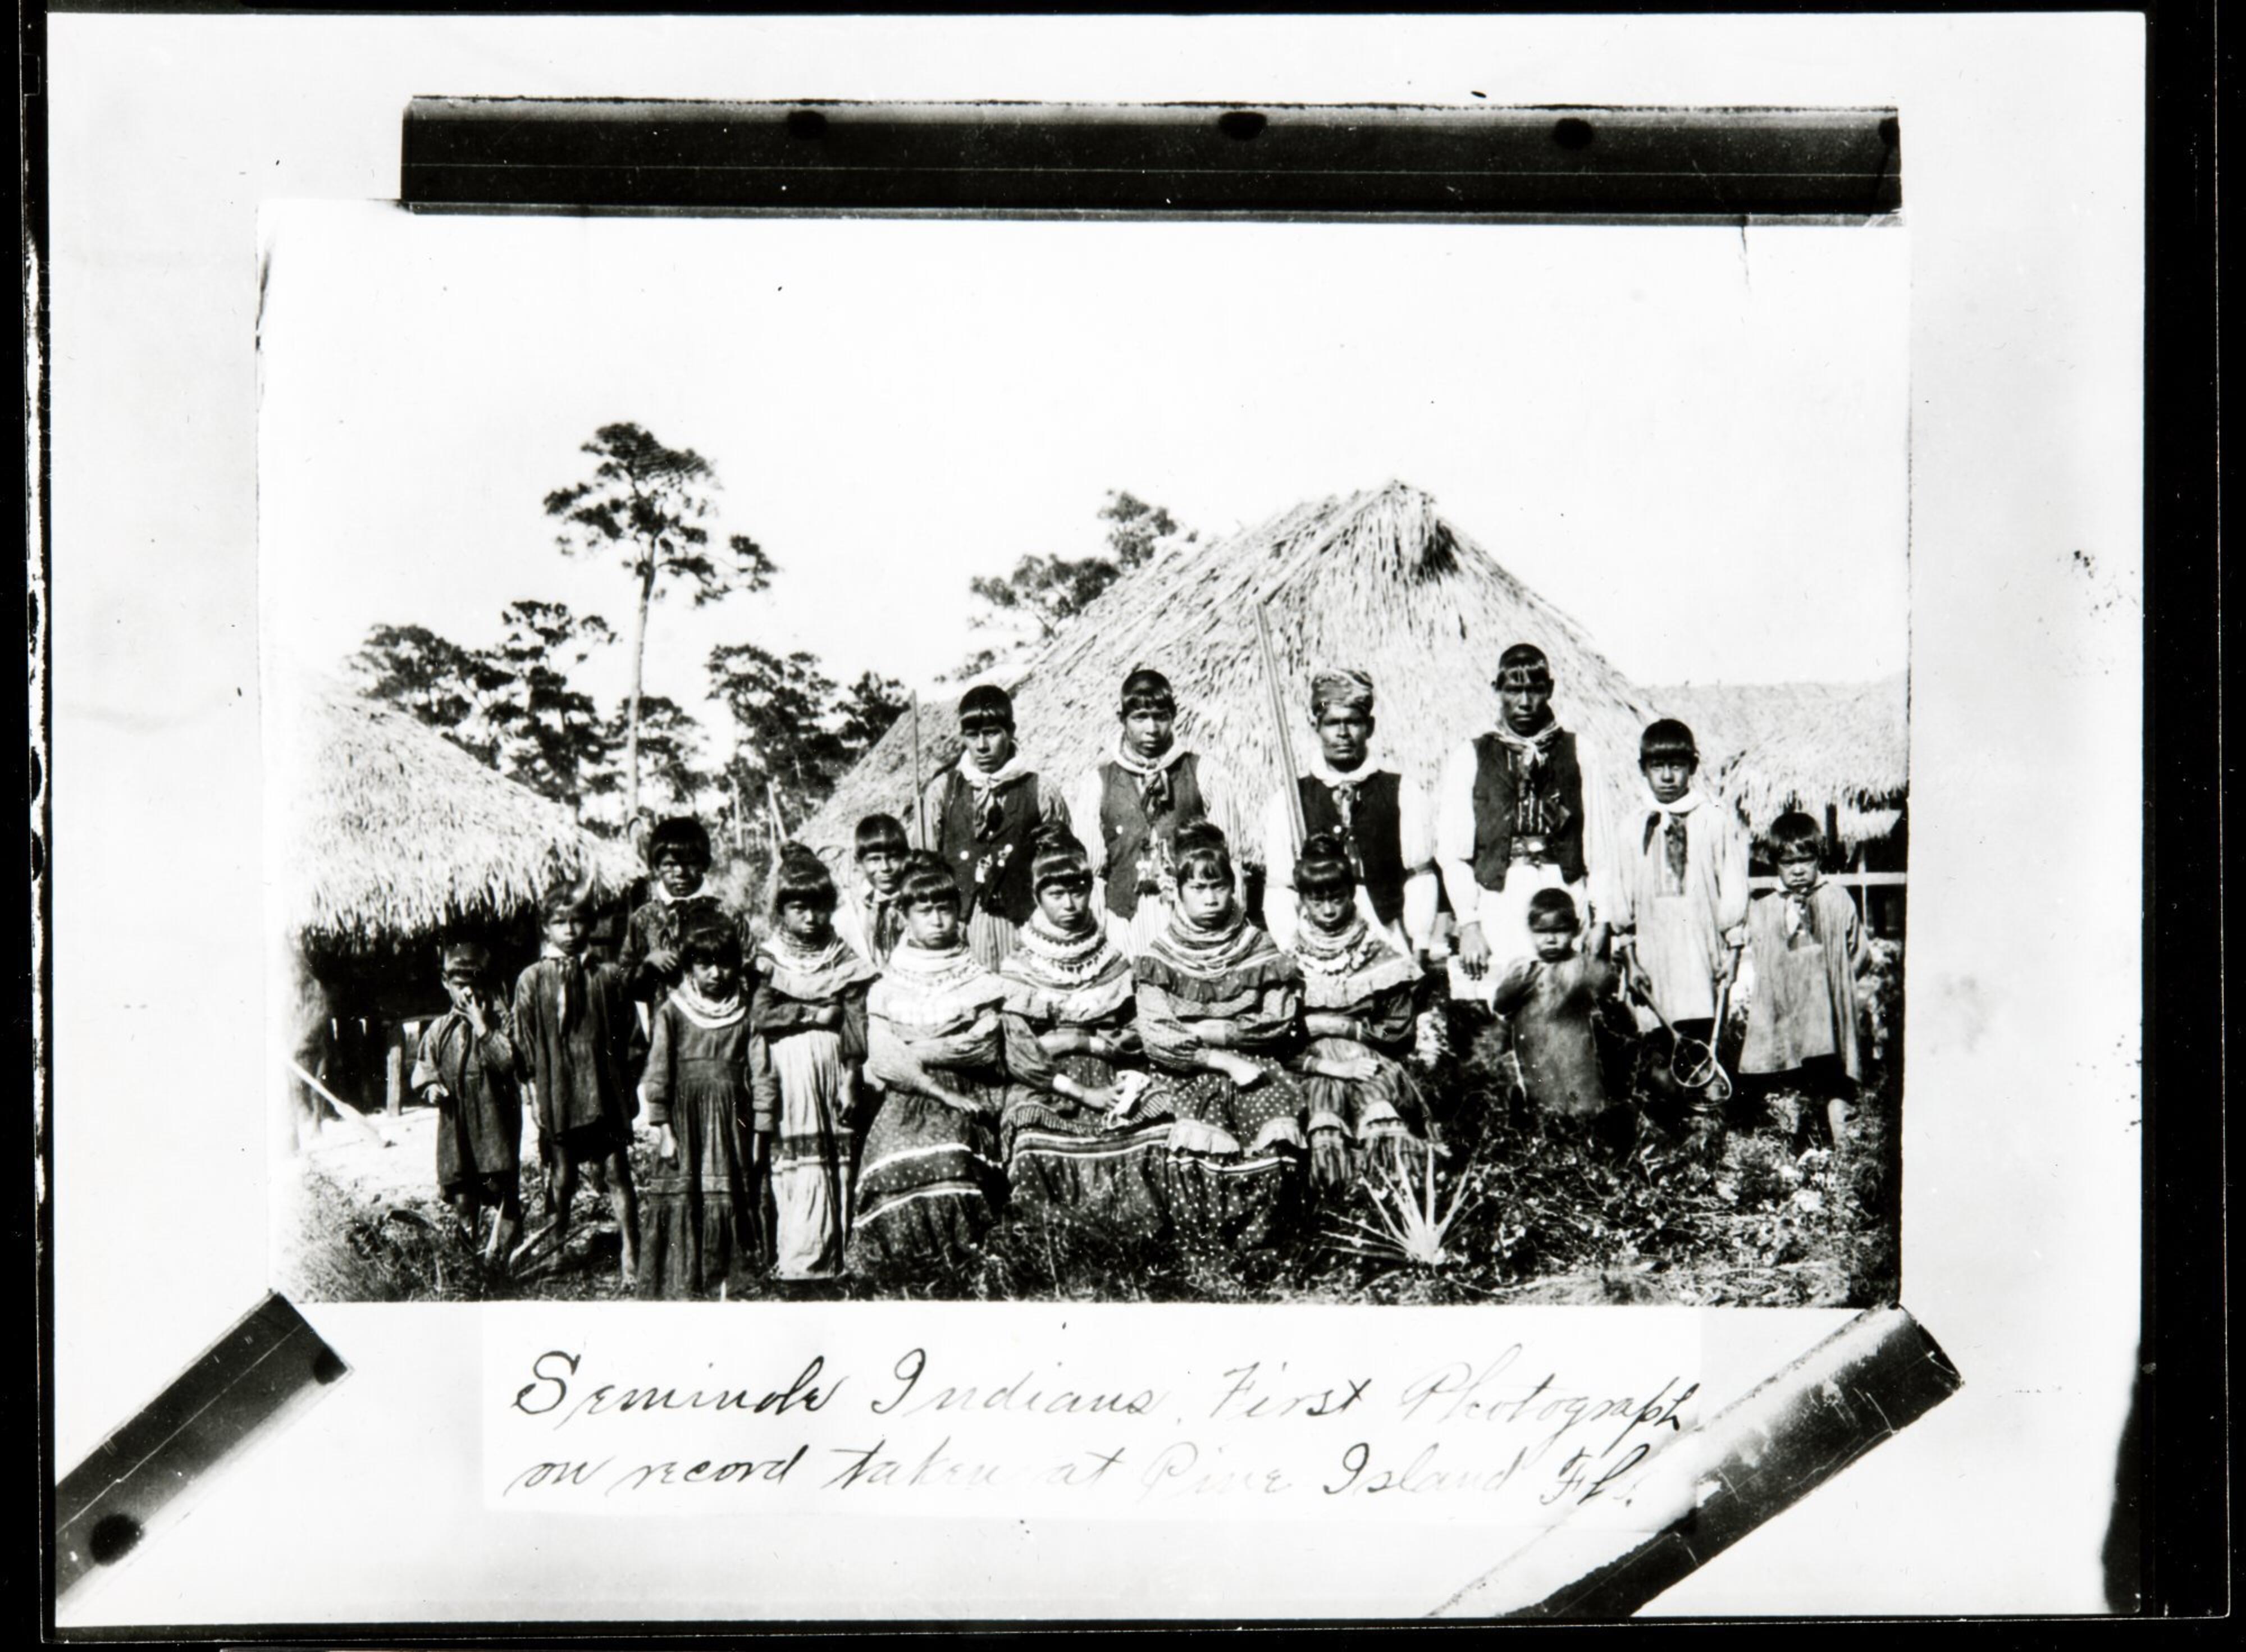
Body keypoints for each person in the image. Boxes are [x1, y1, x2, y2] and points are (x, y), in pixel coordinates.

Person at [998, 825, 1177, 1240]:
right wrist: (1082, 1090)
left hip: (1109, 1068)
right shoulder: (1021, 965)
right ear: (1038, 897)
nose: (1070, 904)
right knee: (1033, 1137)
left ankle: (1136, 1241)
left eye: (1078, 891)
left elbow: (1135, 1032)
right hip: (1050, 1081)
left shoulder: (1110, 959)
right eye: (1056, 894)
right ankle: (1055, 1243)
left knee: (1154, 1126)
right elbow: (1022, 1051)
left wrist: (1082, 1041)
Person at [1134, 823, 1308, 1244]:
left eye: (1219, 887)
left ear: (1234, 889)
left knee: (1273, 1132)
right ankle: (1208, 1243)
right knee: (1198, 1140)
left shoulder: (1258, 947)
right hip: (1188, 1071)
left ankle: (1268, 1240)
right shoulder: (1160, 956)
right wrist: (1217, 1056)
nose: (1210, 899)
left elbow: (1277, 1020)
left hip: (1258, 1065)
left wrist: (1215, 1031)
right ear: (1177, 891)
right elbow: (1157, 1033)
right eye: (1197, 888)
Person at [848, 852, 1012, 1277]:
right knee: (885, 1159)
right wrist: (935, 1071)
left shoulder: (979, 979)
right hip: (910, 1096)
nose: (937, 921)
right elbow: (885, 1060)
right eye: (925, 911)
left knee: (953, 1160)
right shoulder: (887, 988)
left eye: (946, 909)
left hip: (971, 1089)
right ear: (904, 916)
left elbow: (984, 1047)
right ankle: (903, 1265)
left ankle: (961, 1262)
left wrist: (918, 1047)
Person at [1434, 643, 1606, 1001]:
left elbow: (1600, 849)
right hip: (1500, 900)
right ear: (1497, 690)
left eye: (1535, 689)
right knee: (1508, 1007)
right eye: (1514, 690)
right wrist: (1469, 924)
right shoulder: (1471, 757)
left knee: (1567, 1007)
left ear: (1550, 690)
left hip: (1564, 898)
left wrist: (1602, 919)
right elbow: (1454, 853)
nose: (1525, 701)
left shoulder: (1581, 752)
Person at [1607, 718, 1751, 1132]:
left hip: (1700, 956)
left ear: (1693, 766)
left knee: (1702, 1053)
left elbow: (1733, 891)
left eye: (1676, 765)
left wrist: (1734, 951)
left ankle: (1708, 1142)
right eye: (1658, 766)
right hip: (1654, 962)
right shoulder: (1632, 827)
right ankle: (1667, 1148)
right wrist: (1630, 962)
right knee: (1657, 1056)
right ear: (1643, 769)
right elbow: (1622, 904)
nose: (1668, 776)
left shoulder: (1714, 821)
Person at [750, 845, 878, 1283]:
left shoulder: (843, 958)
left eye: (819, 908)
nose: (810, 918)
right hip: (789, 1069)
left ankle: (838, 1257)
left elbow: (855, 1022)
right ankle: (802, 1258)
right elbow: (762, 1015)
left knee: (835, 1155)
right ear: (781, 911)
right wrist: (809, 1014)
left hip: (832, 1067)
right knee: (799, 1161)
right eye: (798, 908)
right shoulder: (769, 960)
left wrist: (849, 1077)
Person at [1284, 833, 1435, 1191]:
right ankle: (1332, 1194)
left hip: (1370, 1055)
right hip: (1312, 1061)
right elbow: (1280, 1029)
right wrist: (1315, 1030)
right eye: (1317, 900)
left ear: (1351, 894)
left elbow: (1398, 1031)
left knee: (1375, 1094)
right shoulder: (1290, 960)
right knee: (1322, 1095)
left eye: (1336, 898)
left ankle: (1389, 1192)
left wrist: (1347, 1030)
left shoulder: (1378, 954)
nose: (1328, 910)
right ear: (1303, 900)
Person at [512, 882, 640, 1288]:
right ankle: (557, 1248)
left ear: (591, 924)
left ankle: (631, 1253)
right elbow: (524, 1042)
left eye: (578, 921)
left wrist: (626, 1087)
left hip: (604, 1092)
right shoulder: (533, 979)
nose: (569, 931)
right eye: (559, 922)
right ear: (546, 928)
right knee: (562, 1176)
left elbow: (631, 1035)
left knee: (618, 1172)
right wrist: (534, 1094)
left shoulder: (607, 975)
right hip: (559, 1093)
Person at [1261, 668, 1439, 959]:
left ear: (1369, 726)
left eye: (1353, 722)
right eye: (1333, 723)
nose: (1343, 734)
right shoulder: (1291, 799)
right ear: (1316, 726)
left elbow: (1419, 873)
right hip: (1318, 940)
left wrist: (1419, 940)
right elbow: (1281, 885)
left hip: (1386, 933)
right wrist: (1289, 945)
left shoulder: (1402, 791)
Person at [1068, 668, 1238, 957]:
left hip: (1191, 923)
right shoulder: (1097, 784)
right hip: (1123, 925)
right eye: (1140, 718)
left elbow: (1229, 858)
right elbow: (1093, 872)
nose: (1151, 728)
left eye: (1160, 717)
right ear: (1122, 720)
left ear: (1174, 717)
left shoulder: (1205, 774)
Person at [636, 912, 762, 1299]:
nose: (716, 973)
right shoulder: (673, 1011)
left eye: (724, 964)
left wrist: (760, 1126)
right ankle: (680, 1277)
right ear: (690, 967)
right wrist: (663, 1128)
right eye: (704, 964)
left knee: (728, 1191)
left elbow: (761, 1072)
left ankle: (727, 1279)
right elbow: (658, 1073)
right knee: (686, 1190)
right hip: (685, 1119)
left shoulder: (746, 1012)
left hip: (730, 1119)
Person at [1739, 810, 1870, 1146]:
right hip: (1785, 1021)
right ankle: (1791, 1159)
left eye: (1806, 860)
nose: (1798, 870)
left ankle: (1844, 1153)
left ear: (1818, 858)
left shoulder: (1836, 899)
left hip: (1828, 1022)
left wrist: (1835, 989)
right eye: (1788, 862)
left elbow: (1860, 952)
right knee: (1788, 1093)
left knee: (1835, 1090)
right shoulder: (1764, 908)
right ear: (1775, 864)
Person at [917, 683, 1068, 971]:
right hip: (961, 928)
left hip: (1024, 926)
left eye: (992, 733)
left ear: (1011, 731)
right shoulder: (942, 792)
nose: (982, 746)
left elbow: (1062, 867)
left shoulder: (1041, 791)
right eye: (973, 736)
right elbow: (924, 869)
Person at [408, 941, 524, 1270]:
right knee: (463, 1194)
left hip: (493, 1123)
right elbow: (424, 1067)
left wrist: (482, 1024)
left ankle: (504, 1253)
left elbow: (507, 1062)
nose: (469, 993)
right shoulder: (439, 1030)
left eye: (476, 984)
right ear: (446, 983)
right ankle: (468, 1258)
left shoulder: (499, 1023)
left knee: (500, 1186)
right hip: (455, 1127)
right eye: (461, 986)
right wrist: (431, 1088)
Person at [1490, 888, 1622, 1133]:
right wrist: (1519, 981)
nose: (1551, 939)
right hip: (1537, 1056)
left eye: (1559, 931)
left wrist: (1611, 968)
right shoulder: (1525, 969)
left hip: (1576, 1055)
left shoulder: (1580, 964)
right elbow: (1500, 1003)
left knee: (1585, 1111)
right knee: (1545, 1112)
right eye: (1542, 932)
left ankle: (1588, 1148)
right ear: (1531, 932)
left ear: (1574, 930)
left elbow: (1606, 981)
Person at [620, 816, 737, 1011]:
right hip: (667, 1028)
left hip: (720, 1025)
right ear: (656, 868)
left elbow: (748, 970)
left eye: (690, 863)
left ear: (705, 865)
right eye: (670, 865)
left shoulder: (726, 916)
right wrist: (648, 965)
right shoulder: (645, 918)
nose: (681, 872)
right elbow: (623, 980)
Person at [833, 813, 911, 970]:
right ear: (859, 863)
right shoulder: (846, 920)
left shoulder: (919, 904)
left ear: (906, 857)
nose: (885, 868)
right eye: (875, 859)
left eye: (894, 858)